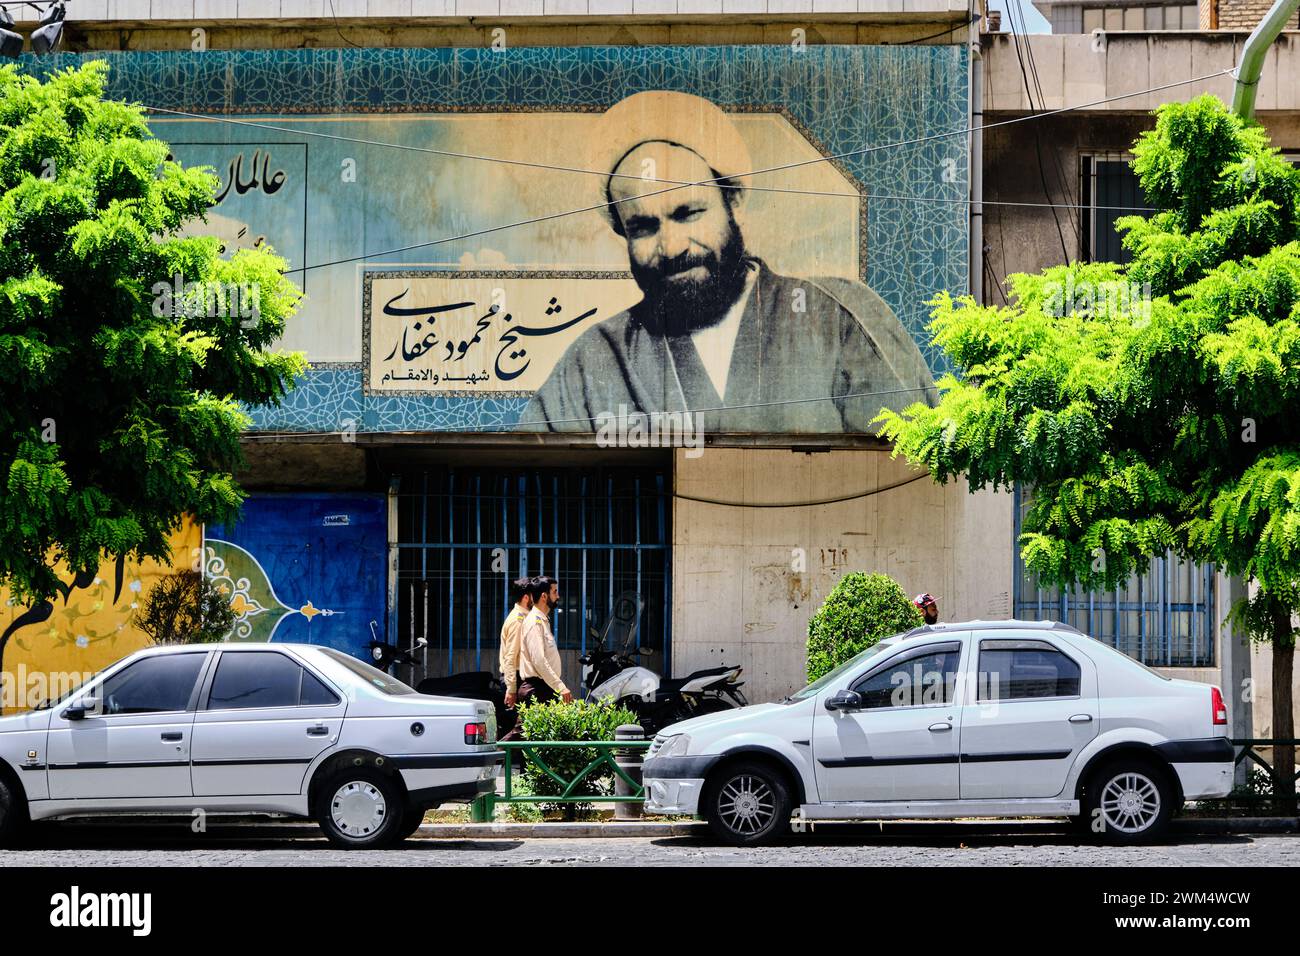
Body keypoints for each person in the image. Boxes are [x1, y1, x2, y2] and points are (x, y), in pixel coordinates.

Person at [519, 90, 935, 435]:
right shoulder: (595, 358)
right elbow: (528, 483)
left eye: (688, 213)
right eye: (644, 227)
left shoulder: (839, 316)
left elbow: (911, 468)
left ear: (732, 201)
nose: (672, 245)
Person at [516, 575, 573, 707]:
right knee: (526, 728)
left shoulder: (542, 621)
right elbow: (539, 660)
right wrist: (560, 686)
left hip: (544, 688)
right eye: (554, 592)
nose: (558, 596)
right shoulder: (535, 622)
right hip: (536, 690)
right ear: (544, 596)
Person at [496, 576, 533, 744]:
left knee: (524, 730)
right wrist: (511, 688)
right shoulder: (518, 620)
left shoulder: (524, 617)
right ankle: (498, 756)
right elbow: (510, 657)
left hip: (518, 678)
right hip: (516, 678)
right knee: (521, 730)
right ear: (526, 597)